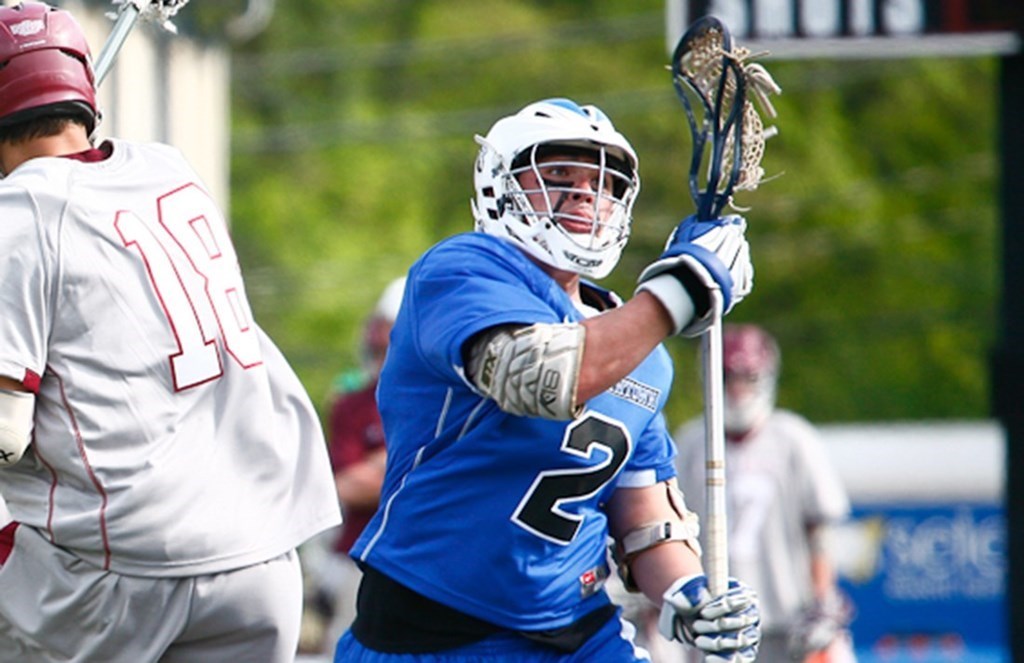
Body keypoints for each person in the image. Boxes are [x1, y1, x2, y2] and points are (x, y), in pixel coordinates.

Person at [333, 98, 761, 662]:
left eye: (603, 184)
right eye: (558, 176)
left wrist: (688, 592)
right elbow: (541, 376)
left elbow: (644, 515)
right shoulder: (461, 270)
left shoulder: (640, 347)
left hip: (576, 630)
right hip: (429, 629)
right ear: (498, 186)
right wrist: (681, 292)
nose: (586, 194)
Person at [0, 3, 341, 661]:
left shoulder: (20, 210)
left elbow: (4, 430)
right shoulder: (168, 169)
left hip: (124, 573)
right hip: (264, 552)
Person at [674, 324, 856, 662]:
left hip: (787, 617)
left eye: (748, 378)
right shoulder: (690, 442)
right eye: (727, 378)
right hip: (714, 621)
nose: (738, 390)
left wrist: (822, 600)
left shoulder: (793, 439)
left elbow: (820, 530)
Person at [306, 277, 407, 654]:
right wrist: (402, 462)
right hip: (361, 555)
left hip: (427, 556)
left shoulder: (448, 401)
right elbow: (345, 485)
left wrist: (385, 465)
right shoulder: (353, 402)